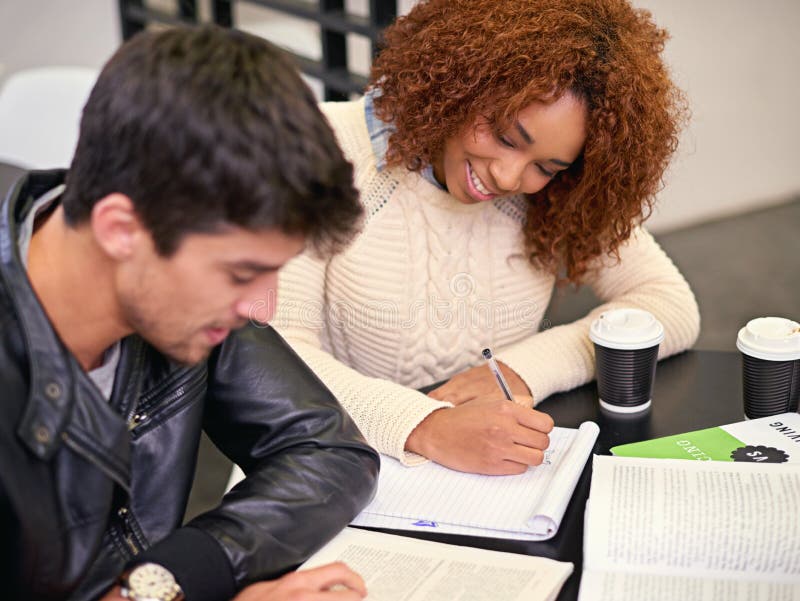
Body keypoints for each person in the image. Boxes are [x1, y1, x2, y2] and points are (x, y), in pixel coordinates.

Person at [0, 25, 379, 601]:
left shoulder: (176, 285)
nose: (260, 304)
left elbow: (329, 452)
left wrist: (167, 584)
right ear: (120, 229)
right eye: (241, 272)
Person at [272, 0, 700, 475]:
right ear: (462, 82)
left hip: (480, 474)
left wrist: (527, 368)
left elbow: (669, 306)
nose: (508, 176)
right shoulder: (317, 151)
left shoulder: (561, 195)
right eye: (504, 135)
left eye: (545, 167)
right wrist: (424, 425)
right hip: (327, 459)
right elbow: (273, 359)